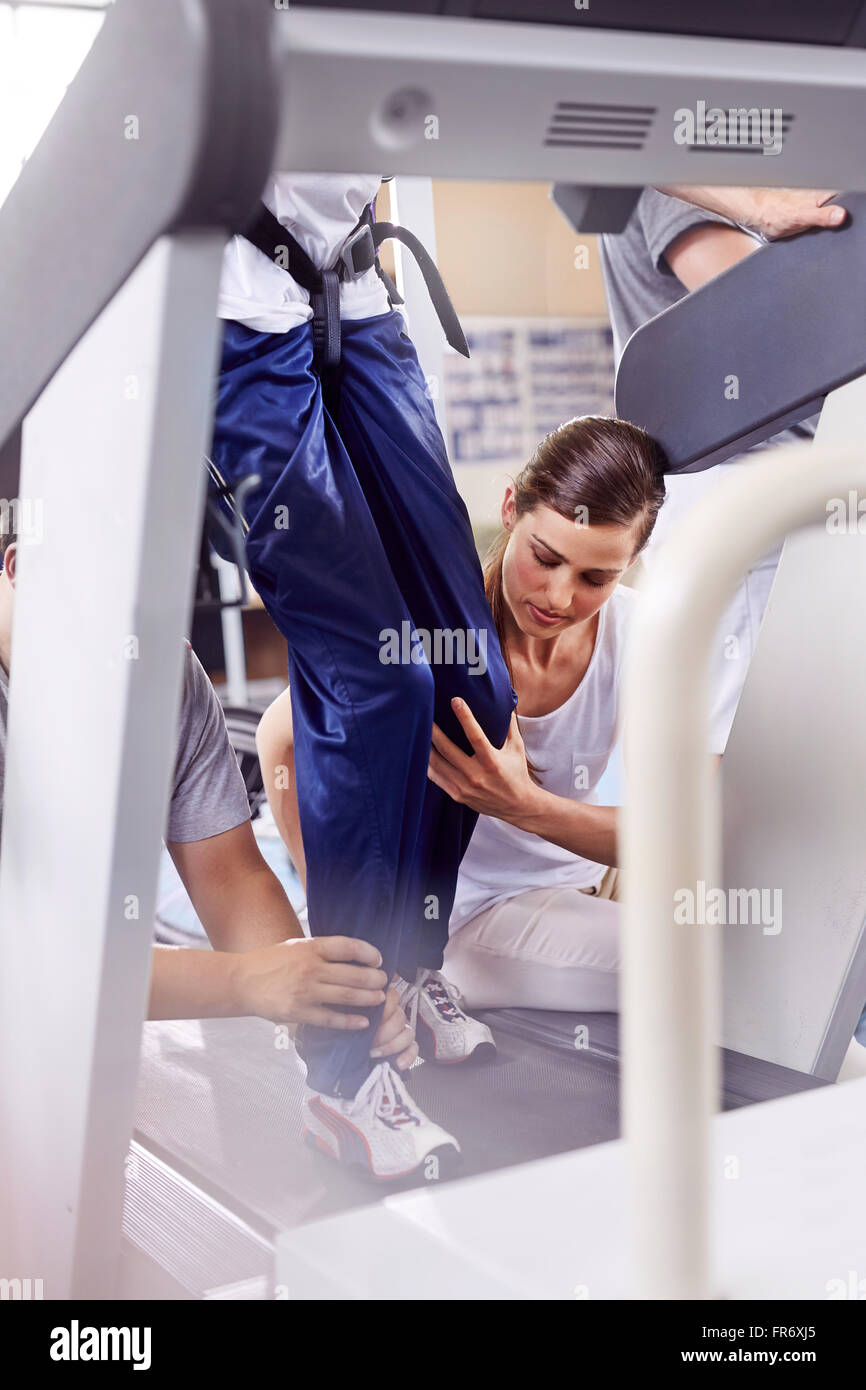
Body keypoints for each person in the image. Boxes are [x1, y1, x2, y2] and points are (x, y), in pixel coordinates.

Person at [210, 173, 515, 1178]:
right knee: (376, 684)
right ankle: (342, 1071)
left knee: (469, 681)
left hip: (356, 296)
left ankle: (411, 971)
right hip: (228, 316)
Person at [258, 417, 667, 1011]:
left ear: (632, 562)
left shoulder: (638, 635)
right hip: (473, 913)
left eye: (595, 577)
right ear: (510, 509)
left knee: (769, 938)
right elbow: (283, 738)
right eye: (545, 558)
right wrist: (342, 915)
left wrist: (522, 806)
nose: (558, 597)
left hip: (587, 877)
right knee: (694, 964)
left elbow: (677, 835)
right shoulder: (431, 641)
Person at [0, 518, 415, 1070]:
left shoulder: (164, 672)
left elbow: (229, 877)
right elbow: (23, 957)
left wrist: (320, 1002)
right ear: (20, 570)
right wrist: (247, 981)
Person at [599, 184, 847, 753]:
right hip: (735, 483)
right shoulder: (689, 168)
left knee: (798, 733)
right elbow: (769, 318)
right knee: (742, 741)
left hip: (784, 483)